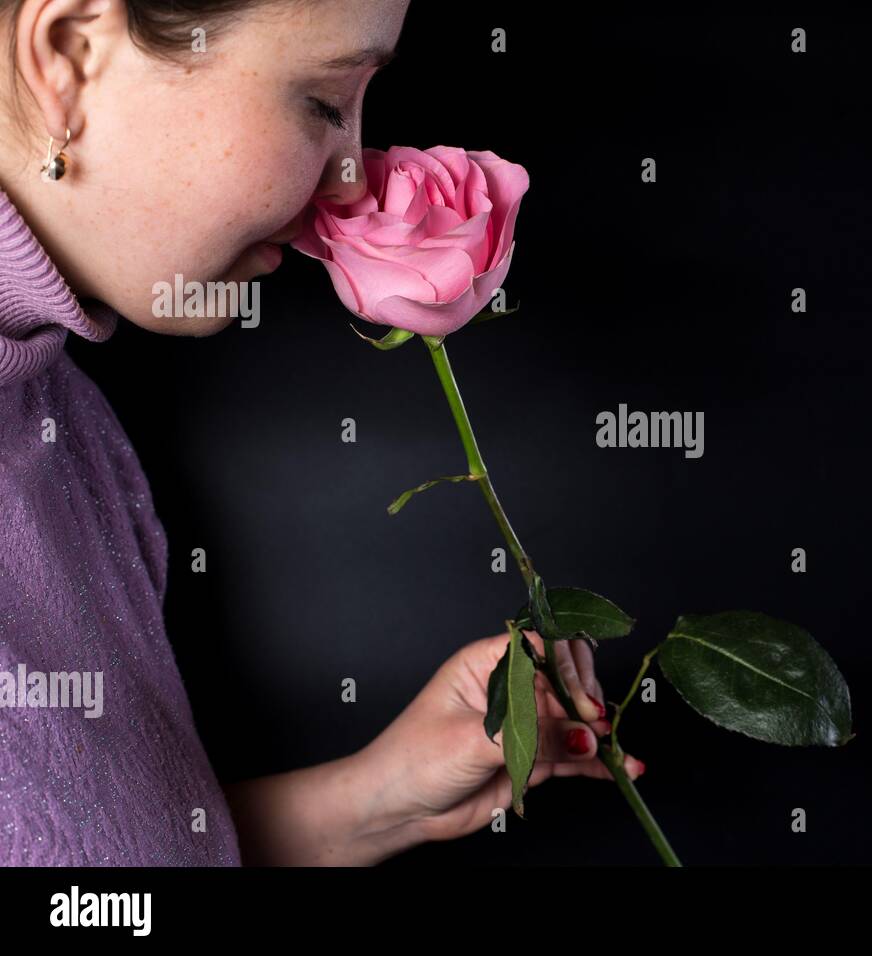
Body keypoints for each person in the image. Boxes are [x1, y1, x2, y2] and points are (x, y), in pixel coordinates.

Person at [0, 0, 642, 866]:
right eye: (322, 101)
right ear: (70, 53)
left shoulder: (67, 431)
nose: (350, 179)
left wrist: (375, 803)